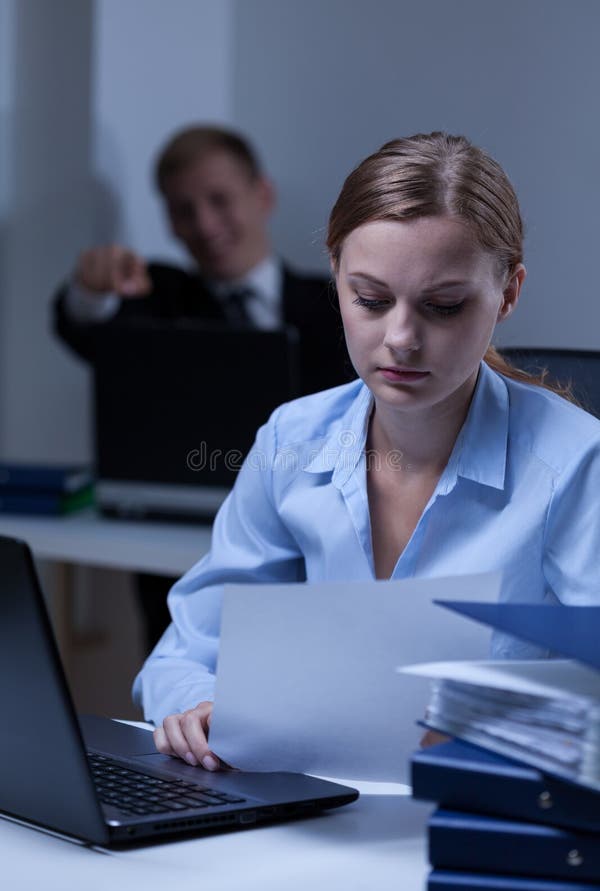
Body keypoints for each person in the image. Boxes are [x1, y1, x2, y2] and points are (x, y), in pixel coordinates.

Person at [133, 131, 600, 773]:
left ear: (509, 293)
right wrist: (202, 706)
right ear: (337, 277)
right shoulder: (291, 442)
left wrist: (478, 730)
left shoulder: (575, 465)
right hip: (311, 818)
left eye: (443, 306)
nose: (401, 339)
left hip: (484, 822)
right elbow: (185, 651)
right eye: (372, 300)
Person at [52, 124, 350, 652]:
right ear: (169, 220)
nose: (205, 224)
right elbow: (82, 327)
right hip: (179, 563)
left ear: (263, 194)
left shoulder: (339, 304)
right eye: (184, 209)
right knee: (182, 700)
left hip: (311, 555)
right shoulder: (156, 298)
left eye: (219, 200)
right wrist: (90, 289)